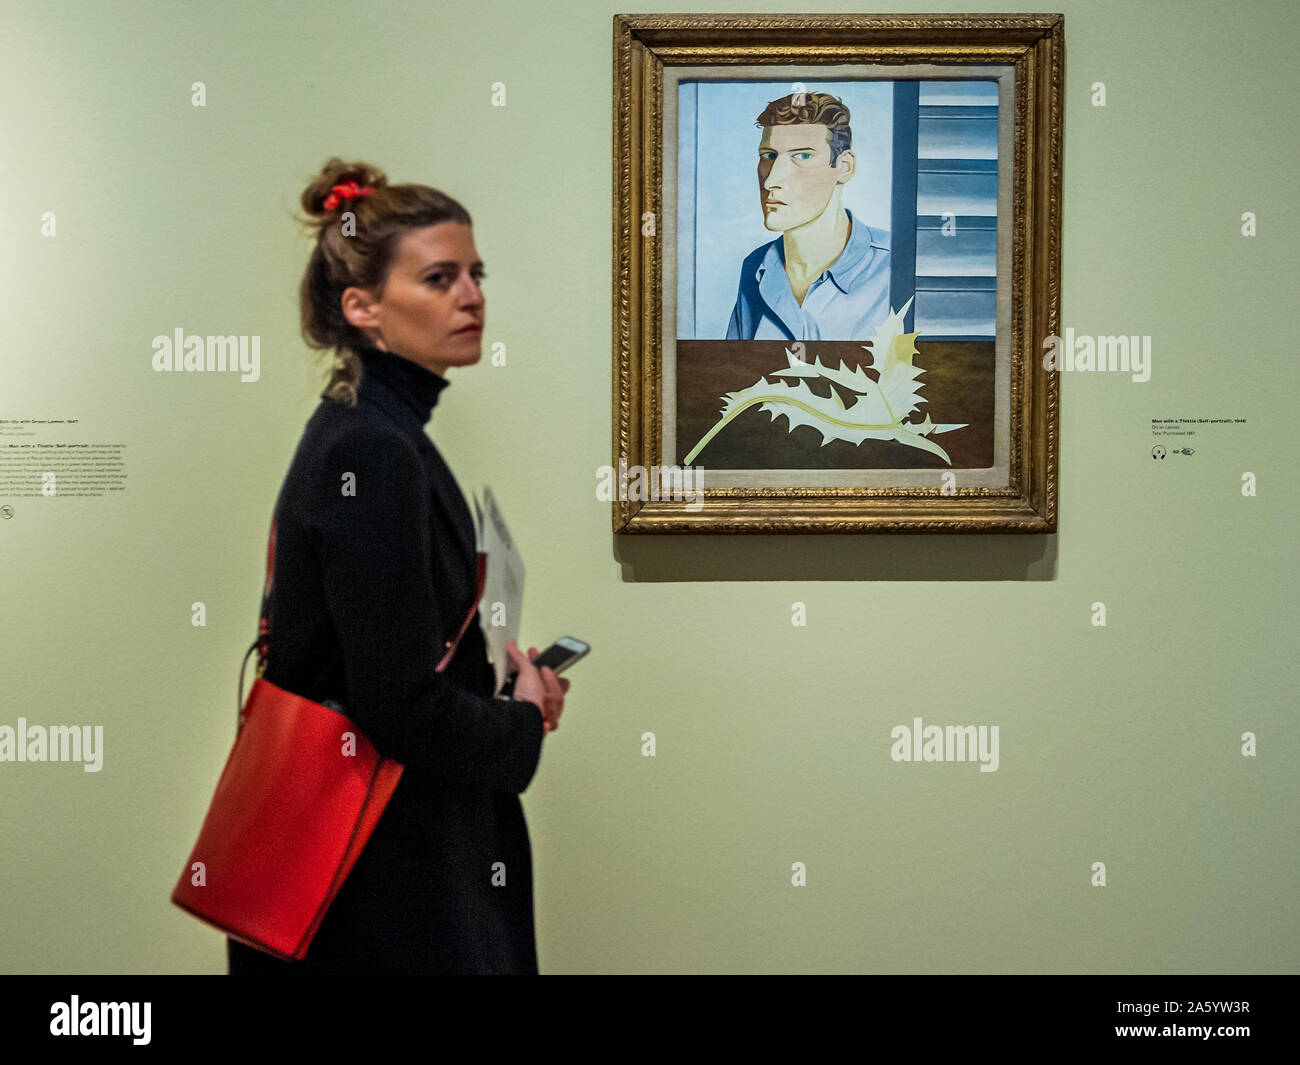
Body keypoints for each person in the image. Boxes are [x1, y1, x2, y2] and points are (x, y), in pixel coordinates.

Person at [226, 158, 568, 974]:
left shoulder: (373, 432)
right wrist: (518, 719)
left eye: (475, 274)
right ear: (362, 308)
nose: (472, 295)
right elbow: (399, 703)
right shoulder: (374, 449)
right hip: (383, 883)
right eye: (440, 277)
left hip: (382, 860)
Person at [725, 92, 891, 341]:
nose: (772, 180)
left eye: (802, 156)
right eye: (769, 156)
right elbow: (735, 374)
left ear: (844, 167)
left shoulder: (896, 265)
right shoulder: (756, 267)